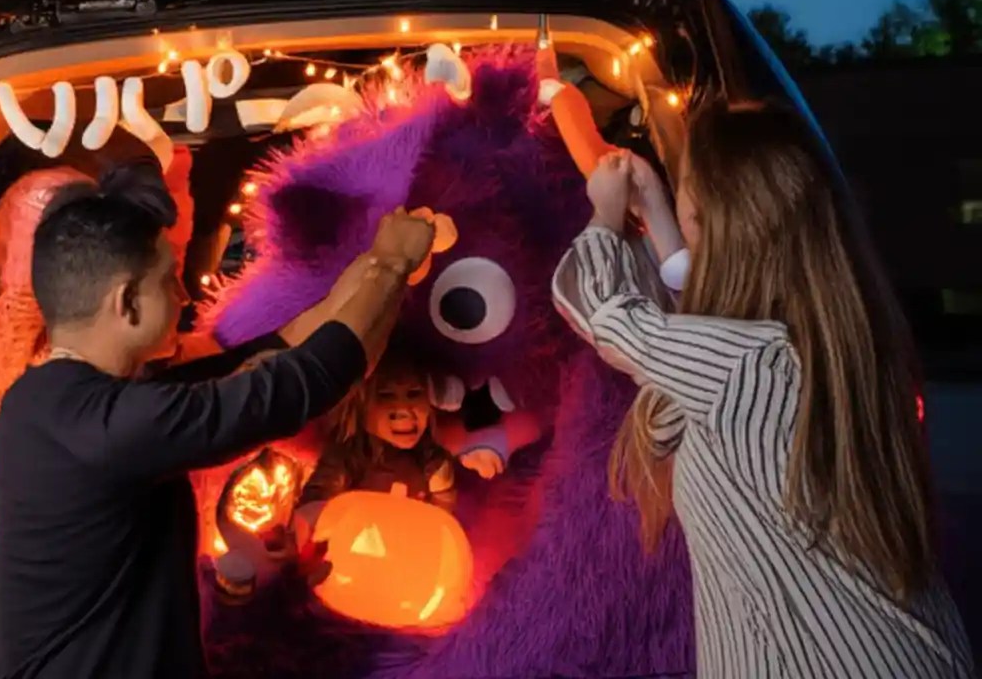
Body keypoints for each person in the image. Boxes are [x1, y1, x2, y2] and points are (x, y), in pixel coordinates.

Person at [551, 100, 974, 677]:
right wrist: (654, 207)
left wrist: (604, 210)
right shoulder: (828, 344)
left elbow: (598, 307)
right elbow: (704, 321)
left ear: (713, 218)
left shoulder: (745, 365)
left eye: (686, 183)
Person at [0, 157, 435, 679]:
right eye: (168, 281)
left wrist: (371, 268)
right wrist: (396, 263)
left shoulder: (51, 402)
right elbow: (307, 382)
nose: (181, 295)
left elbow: (277, 355)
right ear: (127, 303)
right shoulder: (111, 427)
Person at [297, 348, 456, 514]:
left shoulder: (433, 461)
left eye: (414, 393)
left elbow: (444, 521)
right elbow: (317, 497)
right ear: (360, 407)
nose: (403, 410)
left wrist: (443, 491)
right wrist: (311, 517)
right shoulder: (348, 456)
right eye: (385, 395)